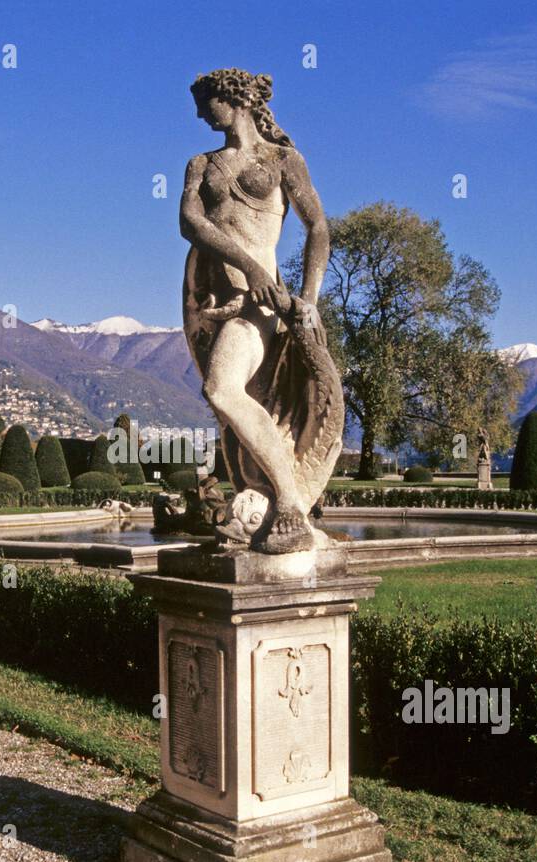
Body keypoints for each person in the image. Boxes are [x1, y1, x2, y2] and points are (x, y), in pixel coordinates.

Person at [179, 68, 340, 553]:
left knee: (221, 390)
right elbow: (190, 222)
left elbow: (318, 229)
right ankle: (264, 503)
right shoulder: (200, 164)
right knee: (232, 412)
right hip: (215, 305)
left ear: (235, 99)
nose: (200, 112)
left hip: (261, 307)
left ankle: (290, 504)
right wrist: (247, 264)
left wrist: (308, 300)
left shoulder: (281, 159)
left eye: (206, 101)